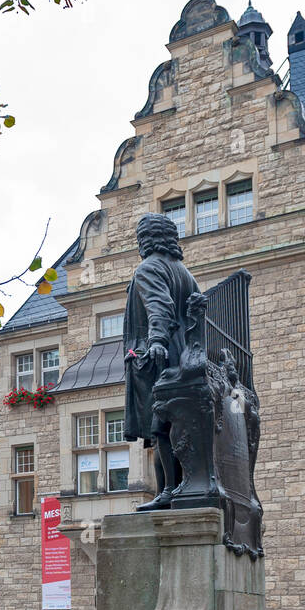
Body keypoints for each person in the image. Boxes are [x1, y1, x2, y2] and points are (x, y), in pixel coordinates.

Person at [121, 212, 200, 509]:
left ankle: (168, 491)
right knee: (173, 427)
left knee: (159, 429)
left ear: (145, 240)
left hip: (162, 359)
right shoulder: (185, 272)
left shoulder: (148, 268)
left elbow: (159, 307)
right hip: (186, 359)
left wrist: (156, 341)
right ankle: (175, 488)